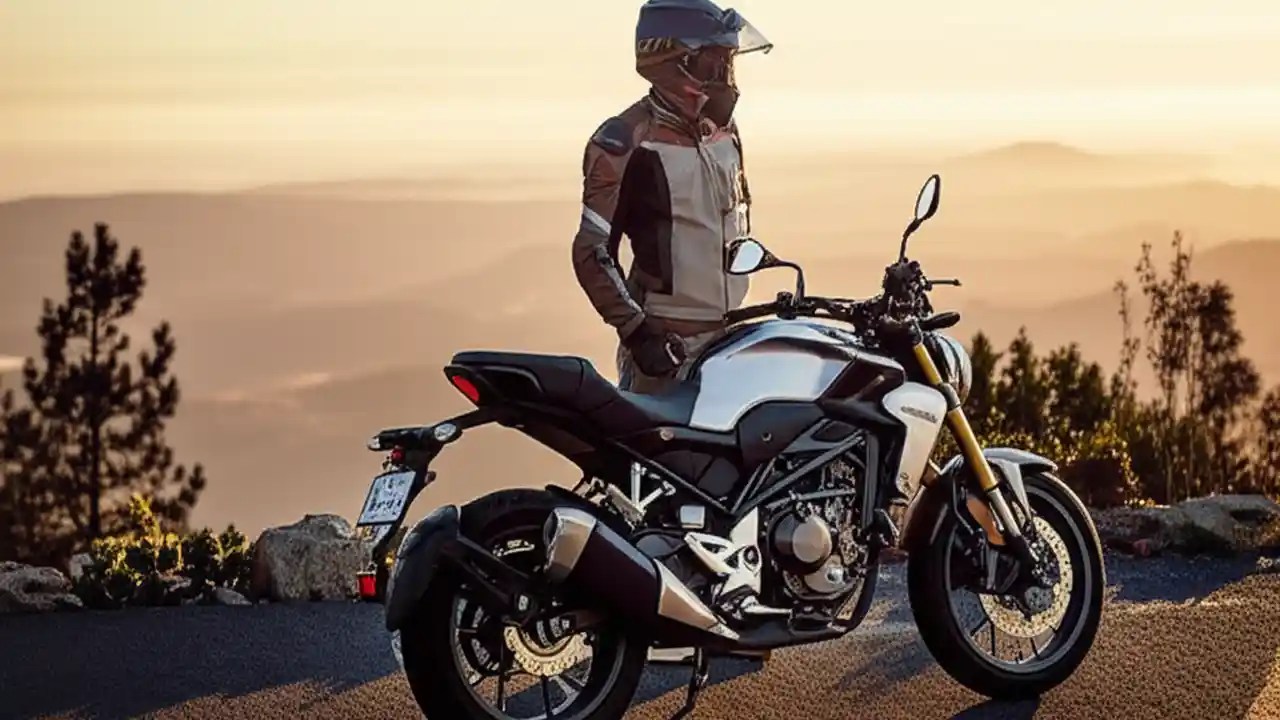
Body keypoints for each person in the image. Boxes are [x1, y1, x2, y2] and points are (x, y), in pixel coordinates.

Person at [571, 0, 773, 395]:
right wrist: (638, 333)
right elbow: (591, 251)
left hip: (732, 339)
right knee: (653, 438)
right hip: (667, 352)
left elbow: (730, 223)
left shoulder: (724, 131)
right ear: (677, 61)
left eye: (728, 60)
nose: (724, 73)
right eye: (714, 60)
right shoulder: (624, 141)